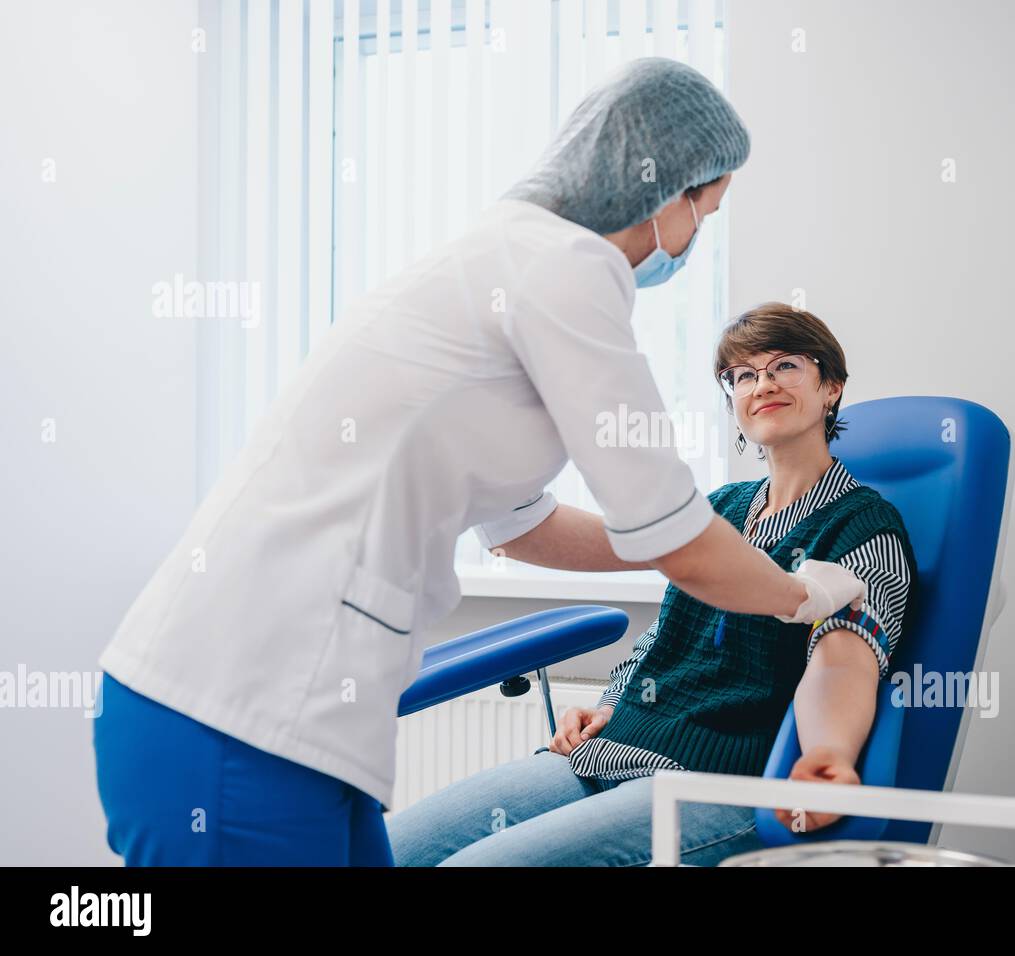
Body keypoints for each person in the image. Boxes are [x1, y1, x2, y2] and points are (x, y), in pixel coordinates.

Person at [91, 59, 869, 865]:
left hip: (242, 704)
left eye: (787, 367)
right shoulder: (566, 269)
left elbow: (529, 526)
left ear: (833, 388)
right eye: (704, 211)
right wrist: (800, 591)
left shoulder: (498, 263)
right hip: (243, 714)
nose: (694, 237)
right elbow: (674, 545)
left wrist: (731, 565)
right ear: (667, 189)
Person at [385, 303, 917, 866]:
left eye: (784, 366)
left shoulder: (862, 526)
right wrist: (609, 704)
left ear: (830, 386)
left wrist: (828, 754)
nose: (762, 384)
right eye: (742, 375)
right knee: (387, 849)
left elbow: (842, 658)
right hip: (613, 749)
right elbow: (664, 640)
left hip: (716, 777)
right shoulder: (718, 511)